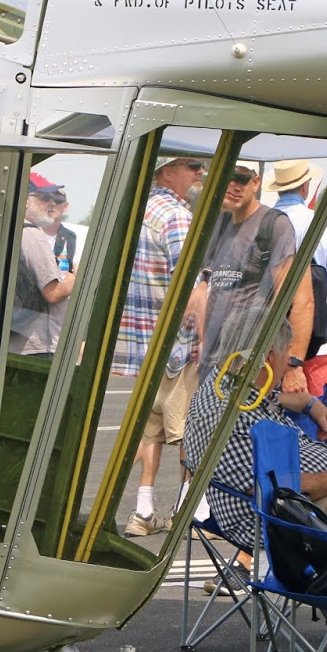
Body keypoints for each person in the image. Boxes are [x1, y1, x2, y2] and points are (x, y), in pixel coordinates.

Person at [182, 313, 327, 556]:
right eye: (287, 351)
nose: (289, 362)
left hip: (308, 501)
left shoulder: (229, 387)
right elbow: (270, 490)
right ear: (267, 357)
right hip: (290, 517)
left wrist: (307, 402)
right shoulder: (223, 416)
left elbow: (261, 403)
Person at [113, 157, 205, 537]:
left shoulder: (139, 211)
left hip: (142, 342)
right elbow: (186, 283)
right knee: (190, 427)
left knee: (150, 430)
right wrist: (199, 335)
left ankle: (144, 509)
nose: (200, 172)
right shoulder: (178, 216)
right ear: (167, 173)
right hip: (176, 342)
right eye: (192, 166)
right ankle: (191, 510)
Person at [186, 164, 313, 393]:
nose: (234, 185)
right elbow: (207, 285)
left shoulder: (274, 225)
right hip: (211, 362)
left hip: (249, 364)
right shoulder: (220, 223)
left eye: (242, 179)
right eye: (229, 177)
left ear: (255, 184)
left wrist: (293, 365)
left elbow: (301, 301)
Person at [263, 159, 327, 419]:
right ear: (306, 186)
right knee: (325, 426)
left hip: (269, 345)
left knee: (269, 423)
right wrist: (308, 329)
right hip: (324, 343)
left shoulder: (262, 225)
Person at [9, 174, 75, 356]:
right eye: (44, 198)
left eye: (53, 198)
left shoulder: (5, 230)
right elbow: (53, 293)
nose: (52, 203)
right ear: (24, 202)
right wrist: (77, 278)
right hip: (34, 344)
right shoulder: (32, 235)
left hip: (13, 339)